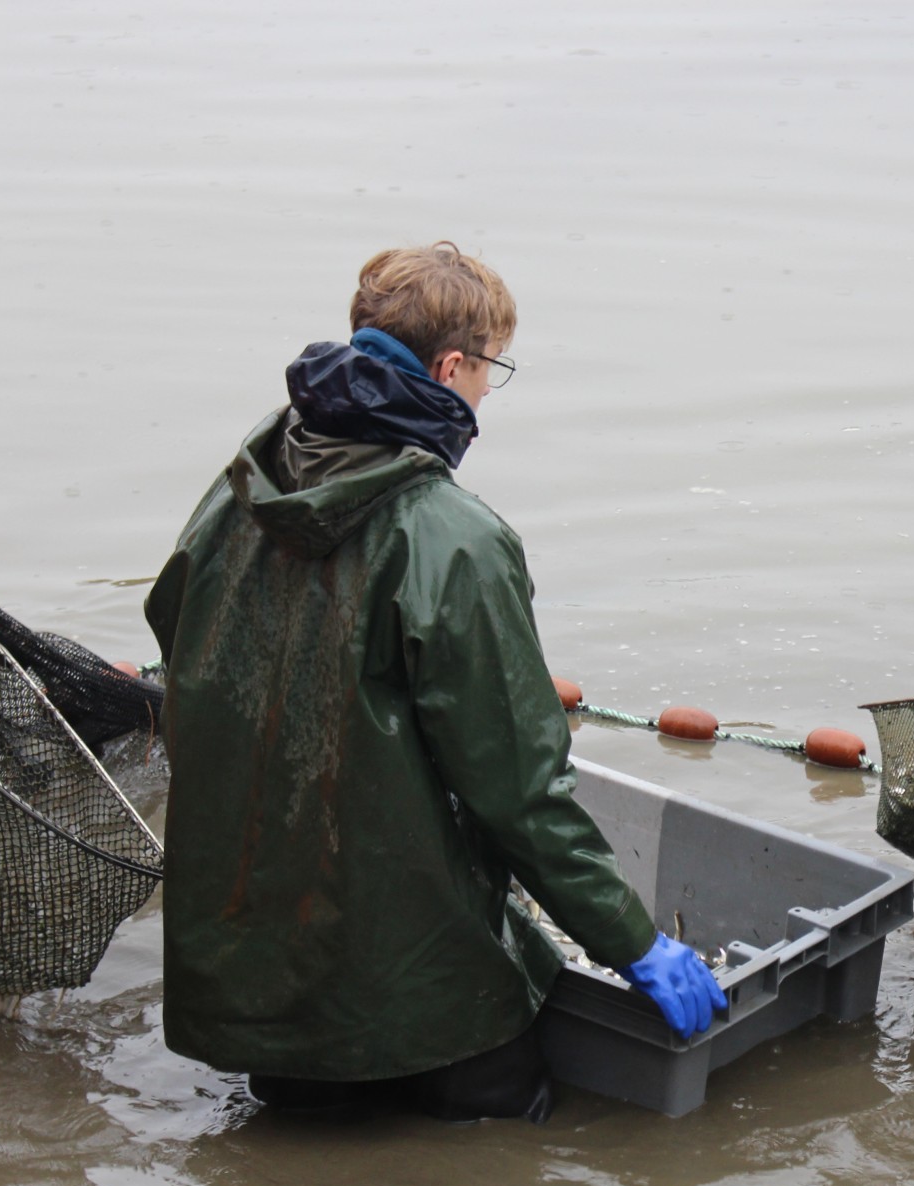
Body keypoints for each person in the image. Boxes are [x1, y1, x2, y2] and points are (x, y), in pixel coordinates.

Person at [145, 242, 725, 1121]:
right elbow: (521, 791)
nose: (488, 394)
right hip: (414, 1002)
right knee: (504, 1133)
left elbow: (174, 633)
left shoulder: (239, 489)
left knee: (296, 1143)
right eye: (492, 370)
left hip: (254, 996)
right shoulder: (454, 540)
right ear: (452, 369)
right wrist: (633, 940)